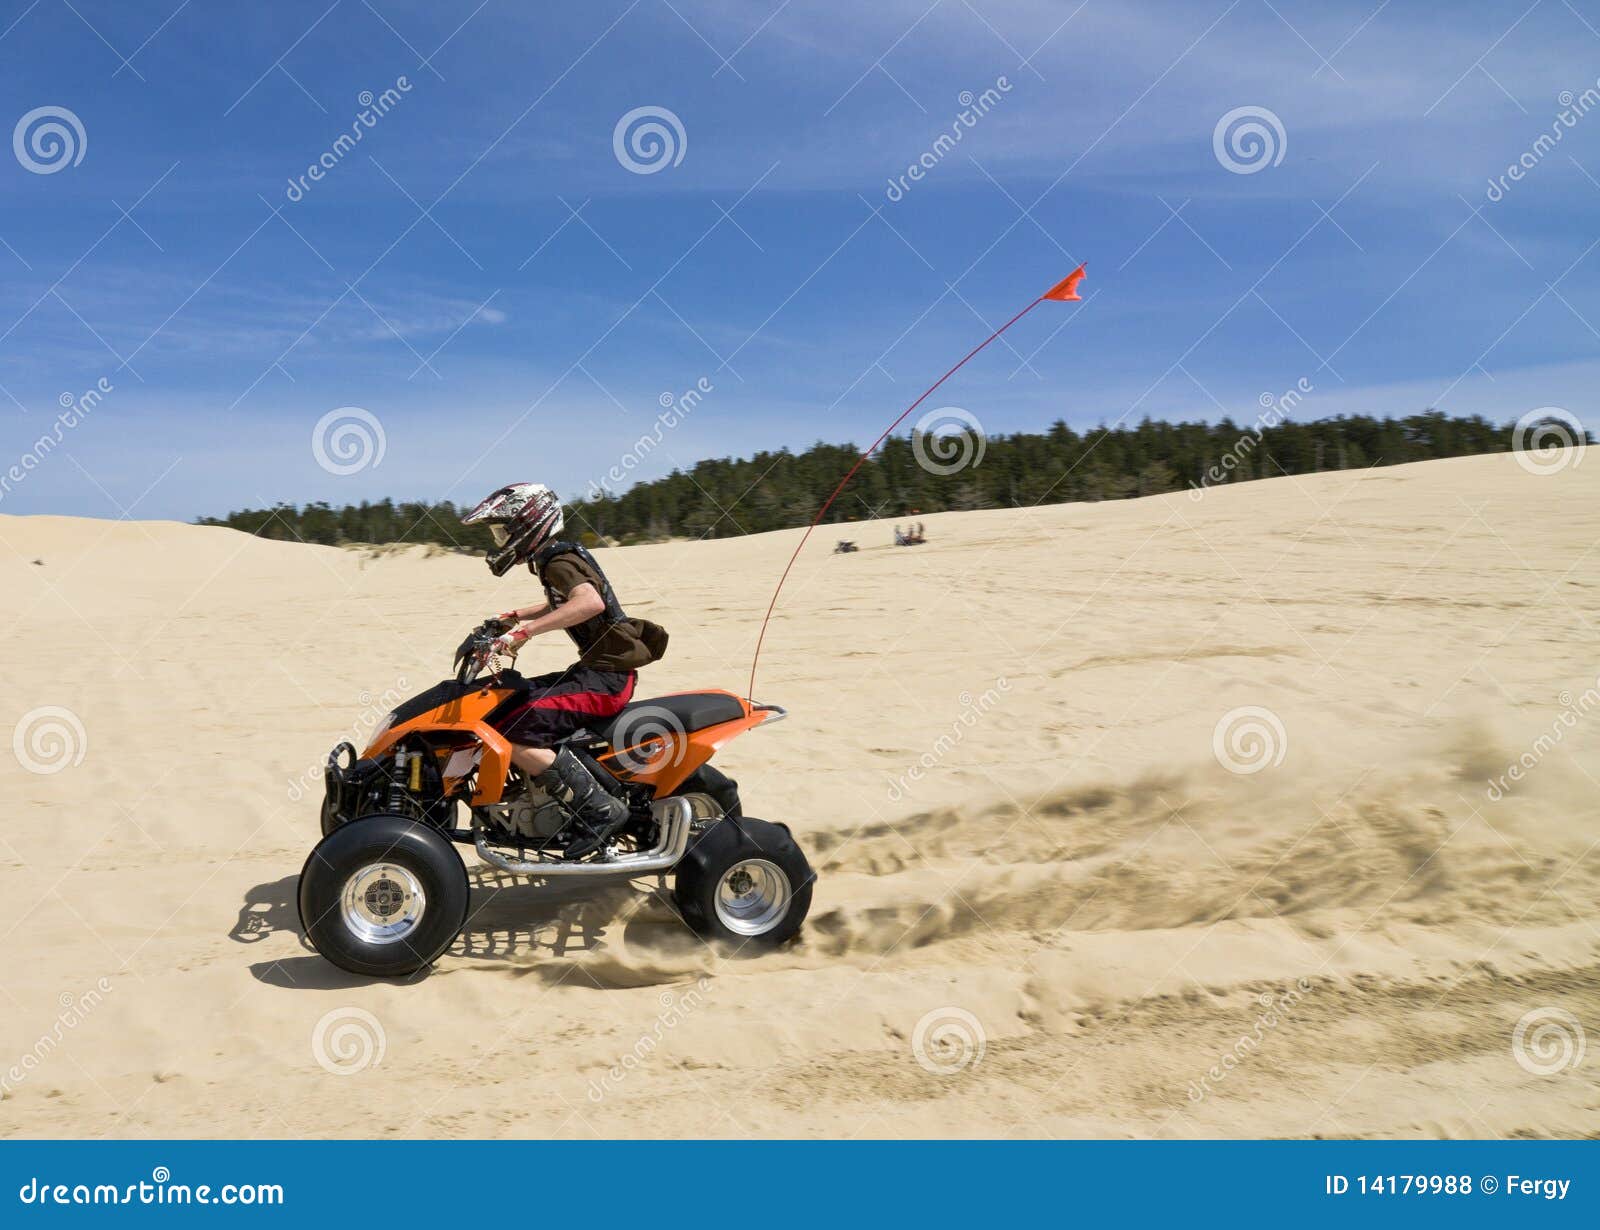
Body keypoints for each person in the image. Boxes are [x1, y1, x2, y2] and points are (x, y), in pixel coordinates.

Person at [462, 482, 669, 858]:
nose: (501, 538)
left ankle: (600, 810)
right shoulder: (554, 560)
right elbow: (558, 601)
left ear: (529, 524)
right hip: (597, 671)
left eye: (503, 530)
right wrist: (512, 616)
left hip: (607, 680)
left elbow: (587, 602)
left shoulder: (557, 560)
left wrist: (526, 632)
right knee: (509, 701)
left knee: (513, 733)